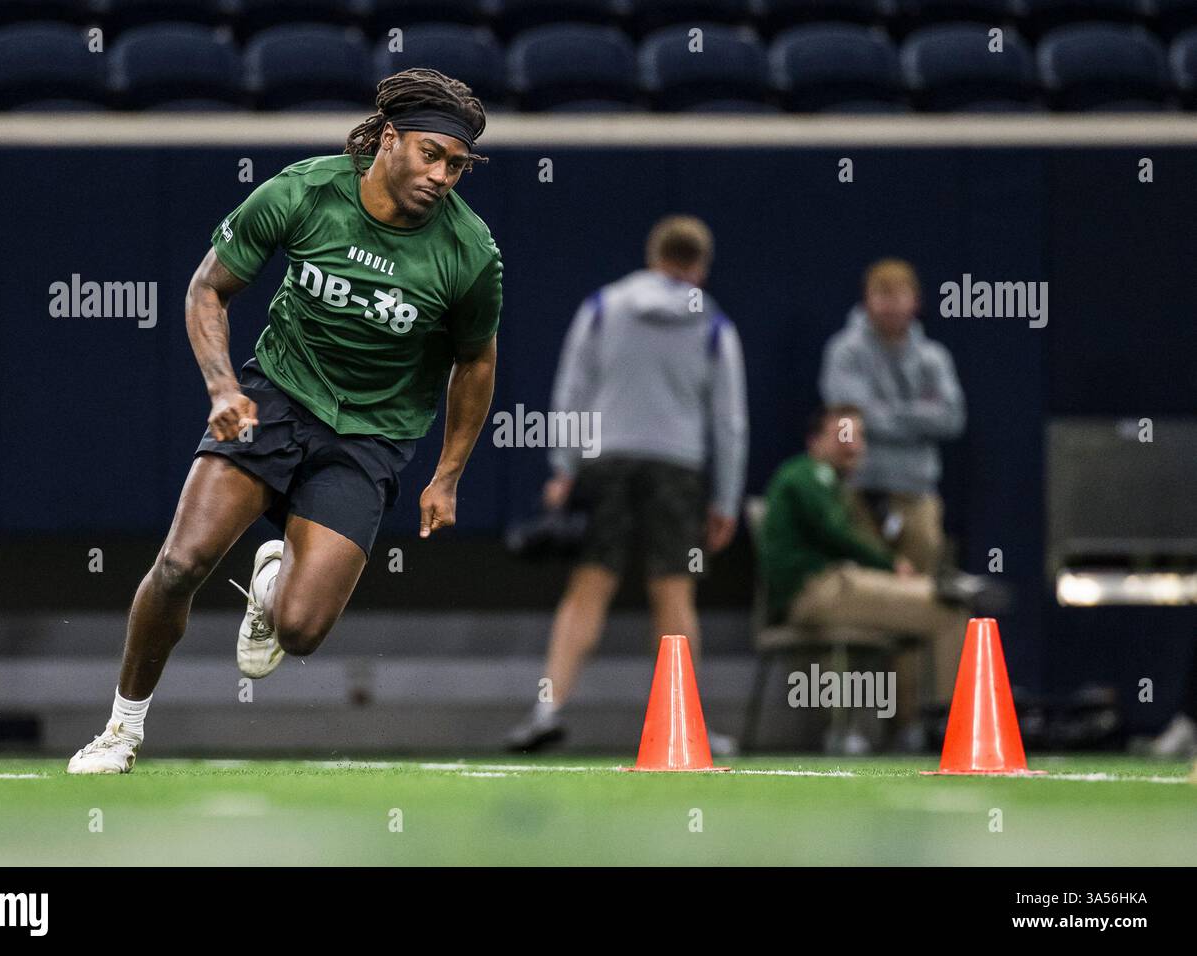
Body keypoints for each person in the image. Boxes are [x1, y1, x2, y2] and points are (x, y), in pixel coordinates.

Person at [68, 69, 503, 773]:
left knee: (298, 633)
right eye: (431, 154)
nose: (443, 176)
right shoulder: (306, 190)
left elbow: (476, 364)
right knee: (180, 564)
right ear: (389, 139)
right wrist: (220, 389)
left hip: (370, 436)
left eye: (457, 165)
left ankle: (272, 581)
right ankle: (121, 729)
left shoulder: (470, 252)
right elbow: (209, 287)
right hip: (274, 399)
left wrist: (448, 475)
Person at [505, 215, 749, 754]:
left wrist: (564, 467)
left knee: (587, 588)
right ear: (701, 266)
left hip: (605, 460)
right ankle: (683, 722)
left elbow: (572, 390)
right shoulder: (714, 326)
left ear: (652, 253)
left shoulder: (602, 308)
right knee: (673, 591)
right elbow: (730, 422)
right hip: (678, 468)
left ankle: (548, 708)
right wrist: (725, 499)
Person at [759, 405, 968, 741]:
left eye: (859, 437)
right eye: (842, 435)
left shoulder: (838, 489)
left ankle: (916, 725)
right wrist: (891, 565)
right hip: (814, 592)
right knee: (946, 606)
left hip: (833, 587)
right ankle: (947, 727)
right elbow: (836, 533)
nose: (853, 445)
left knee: (939, 604)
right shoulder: (806, 475)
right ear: (815, 441)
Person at [819, 259, 965, 576]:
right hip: (859, 490)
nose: (891, 306)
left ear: (916, 301)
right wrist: (918, 415)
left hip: (917, 492)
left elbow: (952, 419)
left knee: (921, 592)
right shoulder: (845, 352)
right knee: (865, 590)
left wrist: (880, 411)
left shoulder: (934, 358)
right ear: (866, 299)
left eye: (899, 296)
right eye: (882, 296)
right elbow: (849, 417)